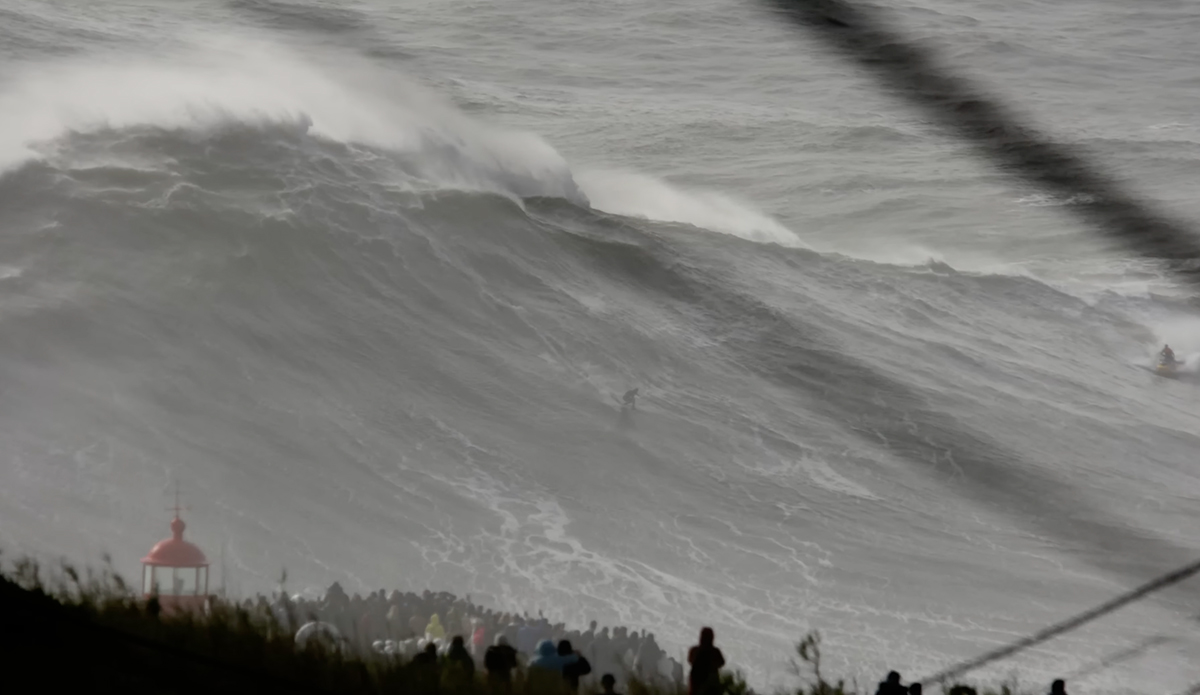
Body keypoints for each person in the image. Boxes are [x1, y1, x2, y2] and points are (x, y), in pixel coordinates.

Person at [687, 627, 725, 695]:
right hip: (707, 684)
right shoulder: (715, 651)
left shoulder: (694, 650)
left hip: (698, 683)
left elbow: (690, 660)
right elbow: (721, 663)